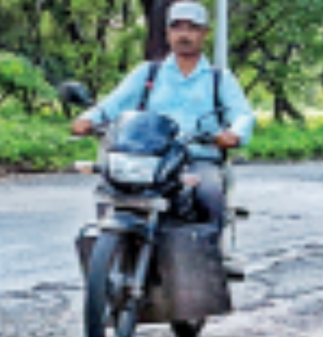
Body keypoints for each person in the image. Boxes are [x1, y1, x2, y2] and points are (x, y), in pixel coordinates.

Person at [71, 1, 255, 235]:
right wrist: (88, 119)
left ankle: (206, 259)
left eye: (192, 28)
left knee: (209, 192)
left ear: (204, 34)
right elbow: (114, 104)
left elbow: (242, 114)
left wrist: (234, 134)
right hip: (150, 159)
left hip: (197, 158)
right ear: (168, 33)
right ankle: (111, 248)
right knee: (111, 187)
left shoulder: (219, 78)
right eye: (177, 28)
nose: (184, 35)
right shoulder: (148, 72)